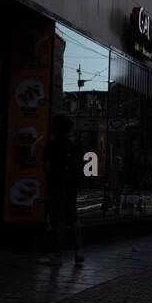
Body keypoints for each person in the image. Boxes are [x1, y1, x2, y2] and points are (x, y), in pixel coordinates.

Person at [42, 114, 84, 265]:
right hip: (71, 187)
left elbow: (47, 168)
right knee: (74, 218)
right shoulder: (70, 145)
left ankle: (57, 254)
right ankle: (79, 251)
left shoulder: (52, 145)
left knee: (59, 220)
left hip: (57, 187)